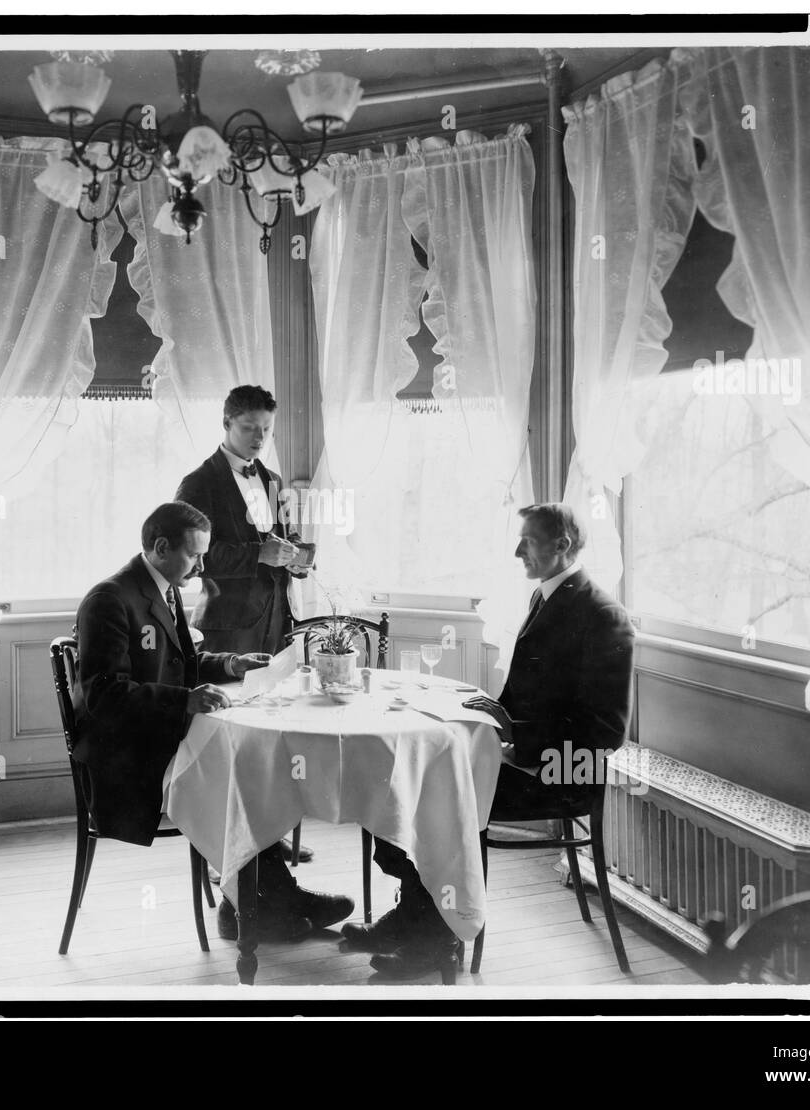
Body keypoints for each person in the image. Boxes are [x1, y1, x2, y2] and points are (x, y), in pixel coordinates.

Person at [341, 502, 635, 978]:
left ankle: (437, 940)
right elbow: (522, 698)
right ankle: (414, 916)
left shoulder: (602, 614)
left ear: (562, 546)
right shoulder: (550, 596)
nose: (518, 550)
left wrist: (524, 750)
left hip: (557, 775)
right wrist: (488, 726)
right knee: (408, 773)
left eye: (529, 541)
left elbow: (606, 729)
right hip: (522, 760)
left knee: (435, 790)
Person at [72, 501, 352, 941]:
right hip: (124, 763)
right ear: (161, 547)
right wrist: (185, 701)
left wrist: (233, 665)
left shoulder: (162, 589)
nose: (203, 565)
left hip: (159, 742)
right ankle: (261, 904)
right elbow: (103, 694)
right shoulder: (109, 599)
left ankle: (252, 903)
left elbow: (184, 663)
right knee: (240, 775)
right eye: (195, 555)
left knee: (249, 768)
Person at [175, 384, 315, 864]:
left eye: (266, 429)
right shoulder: (199, 484)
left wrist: (297, 558)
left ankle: (270, 845)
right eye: (250, 427)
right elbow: (196, 558)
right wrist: (260, 553)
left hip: (277, 621)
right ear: (227, 424)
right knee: (230, 740)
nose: (259, 437)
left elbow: (290, 541)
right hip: (228, 629)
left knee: (275, 736)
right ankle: (226, 851)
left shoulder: (273, 480)